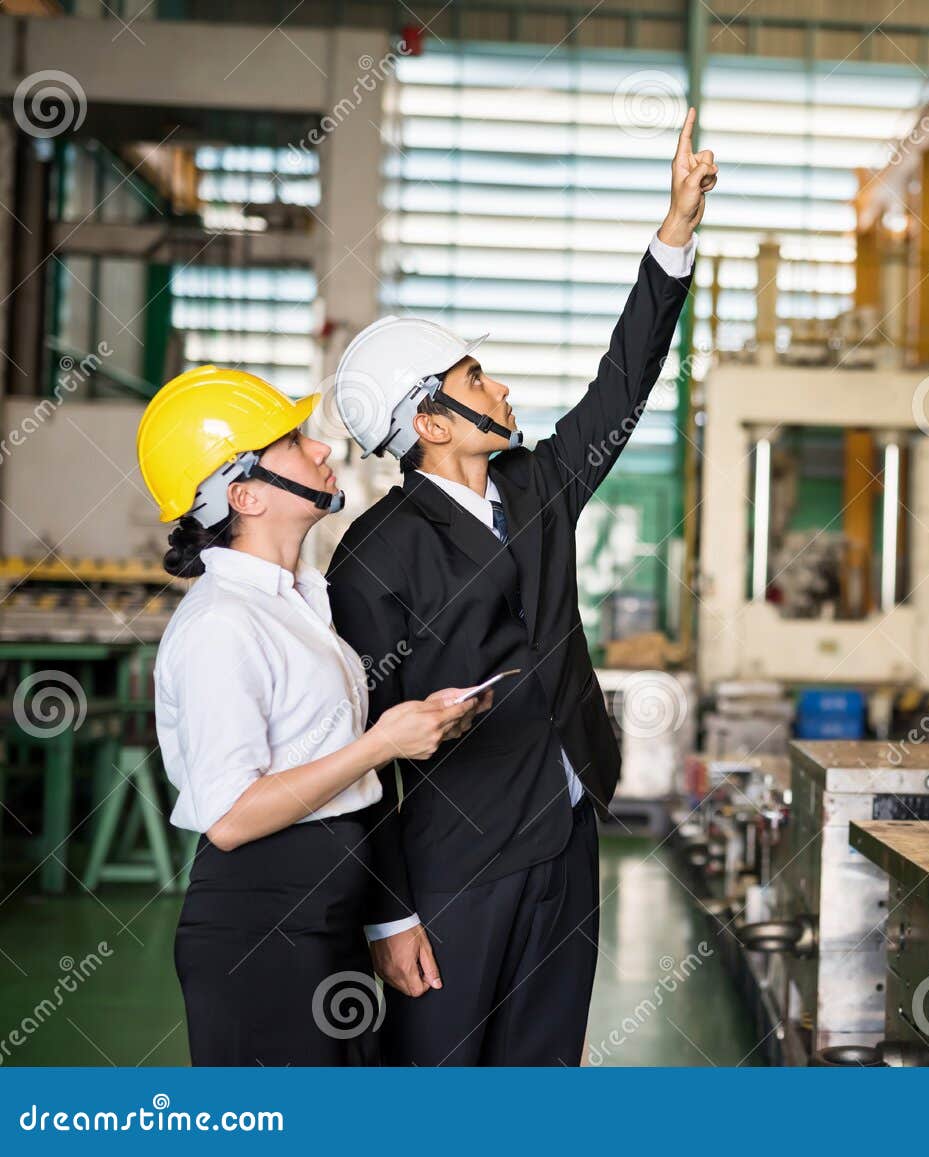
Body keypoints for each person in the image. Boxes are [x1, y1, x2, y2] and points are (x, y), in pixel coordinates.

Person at [324, 108, 714, 1065]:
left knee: (544, 1068)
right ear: (432, 419)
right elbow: (360, 747)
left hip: (569, 828)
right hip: (455, 861)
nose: (500, 390)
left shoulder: (539, 486)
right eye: (477, 376)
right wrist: (388, 915)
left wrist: (675, 233)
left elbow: (624, 384)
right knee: (448, 1075)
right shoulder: (375, 556)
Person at [139, 366, 484, 1066]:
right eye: (293, 441)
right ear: (243, 494)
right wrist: (382, 744)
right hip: (261, 926)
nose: (321, 449)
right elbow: (231, 815)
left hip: (330, 912)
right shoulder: (220, 624)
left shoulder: (299, 598)